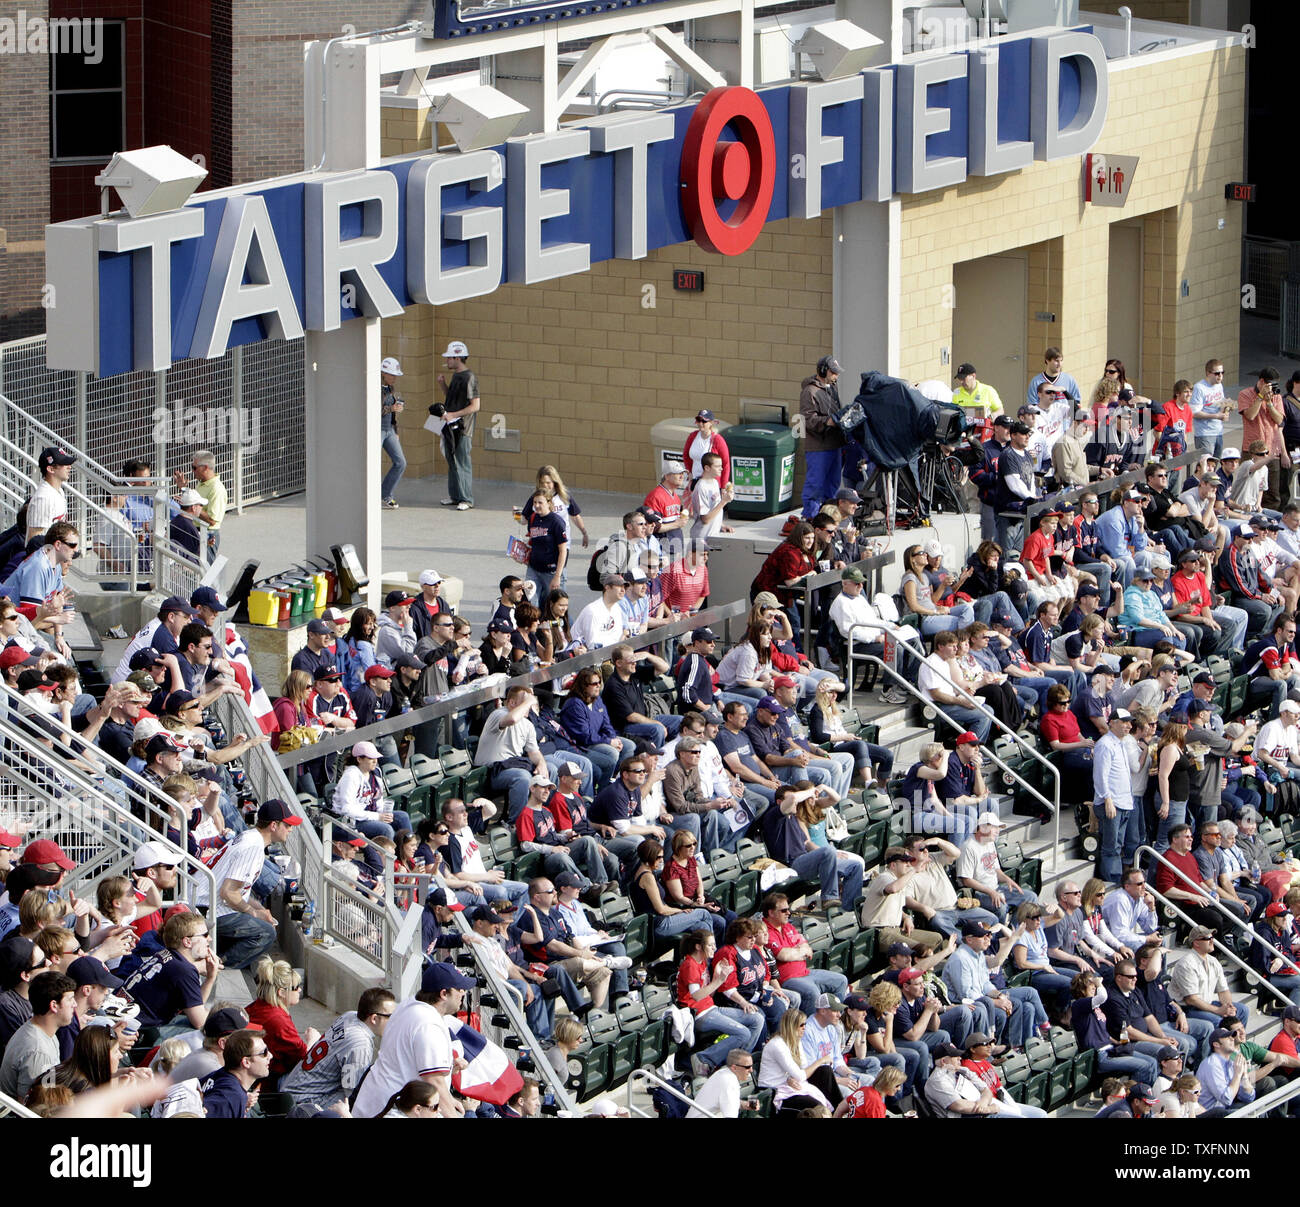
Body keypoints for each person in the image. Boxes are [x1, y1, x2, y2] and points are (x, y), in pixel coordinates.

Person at [352, 963, 472, 1119]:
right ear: (443, 994)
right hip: (391, 1109)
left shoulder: (409, 1005)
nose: (463, 993)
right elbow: (434, 1081)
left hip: (376, 1101)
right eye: (459, 988)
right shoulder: (428, 1024)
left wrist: (449, 1099)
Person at [194, 799, 298, 970]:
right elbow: (228, 893)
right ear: (273, 825)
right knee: (265, 932)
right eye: (287, 825)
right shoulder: (253, 846)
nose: (290, 829)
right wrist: (254, 913)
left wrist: (259, 909)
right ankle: (215, 967)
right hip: (204, 909)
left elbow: (238, 891)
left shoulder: (251, 837)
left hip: (207, 904)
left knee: (259, 921)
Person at [280, 987, 395, 1114]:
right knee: (364, 1098)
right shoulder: (360, 1043)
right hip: (302, 1103)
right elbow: (352, 1093)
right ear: (374, 1018)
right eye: (391, 1016)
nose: (395, 1021)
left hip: (291, 1088)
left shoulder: (349, 1015)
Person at [676, 930, 763, 1075]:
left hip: (712, 1008)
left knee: (757, 1019)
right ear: (698, 947)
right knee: (743, 1034)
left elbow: (709, 993)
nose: (714, 949)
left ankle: (737, 1064)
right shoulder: (690, 965)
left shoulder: (702, 962)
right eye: (710, 945)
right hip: (699, 1015)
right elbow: (696, 996)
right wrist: (720, 980)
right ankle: (703, 1058)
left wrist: (718, 974)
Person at [0, 971, 76, 1101]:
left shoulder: (45, 1033)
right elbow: (31, 1106)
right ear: (54, 1005)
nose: (75, 1004)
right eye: (70, 999)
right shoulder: (38, 1051)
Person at [956, 813, 1037, 923]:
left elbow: (996, 870)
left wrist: (1007, 879)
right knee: (1001, 906)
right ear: (983, 828)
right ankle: (999, 938)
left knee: (1030, 897)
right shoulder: (968, 847)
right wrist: (991, 892)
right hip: (979, 894)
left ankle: (1014, 933)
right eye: (994, 827)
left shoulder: (990, 843)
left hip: (996, 888)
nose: (998, 831)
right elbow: (966, 880)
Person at [435, 339, 480, 510]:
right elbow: (451, 398)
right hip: (450, 425)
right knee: (452, 461)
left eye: (449, 358)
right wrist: (442, 385)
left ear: (458, 358)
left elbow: (475, 406)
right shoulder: (457, 376)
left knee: (462, 462)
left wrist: (454, 414)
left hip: (463, 428)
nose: (447, 361)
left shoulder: (470, 378)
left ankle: (466, 498)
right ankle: (455, 496)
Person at [799, 355, 844, 517]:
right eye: (833, 372)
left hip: (834, 444)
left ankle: (827, 516)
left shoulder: (832, 388)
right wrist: (829, 421)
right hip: (818, 447)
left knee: (832, 484)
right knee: (815, 485)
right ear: (824, 371)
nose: (836, 376)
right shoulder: (810, 391)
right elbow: (808, 420)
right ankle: (810, 516)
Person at [687, 1048, 756, 1118]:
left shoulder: (723, 1073)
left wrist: (743, 1104)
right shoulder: (730, 1083)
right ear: (734, 1068)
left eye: (751, 1066)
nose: (751, 1070)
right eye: (747, 1067)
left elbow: (725, 1101)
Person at [377, 356, 406, 510]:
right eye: (392, 375)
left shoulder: (390, 389)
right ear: (384, 373)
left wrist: (395, 431)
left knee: (400, 462)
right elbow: (373, 410)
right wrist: (391, 409)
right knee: (373, 465)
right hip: (378, 430)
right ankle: (372, 496)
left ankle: (385, 494)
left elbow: (393, 414)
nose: (394, 378)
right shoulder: (376, 388)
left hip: (389, 430)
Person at [682, 409, 731, 487]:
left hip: (711, 483)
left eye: (704, 421)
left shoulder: (717, 440)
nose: (701, 423)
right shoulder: (692, 436)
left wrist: (723, 487)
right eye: (699, 420)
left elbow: (726, 464)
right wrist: (690, 471)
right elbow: (686, 455)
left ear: (711, 423)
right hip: (695, 480)